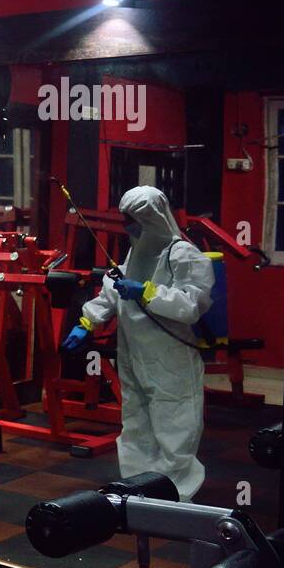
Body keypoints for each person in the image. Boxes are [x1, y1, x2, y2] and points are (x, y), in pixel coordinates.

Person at [61, 185, 214, 500]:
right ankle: (139, 485)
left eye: (134, 220)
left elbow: (192, 304)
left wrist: (148, 292)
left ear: (152, 219)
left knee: (174, 420)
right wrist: (87, 322)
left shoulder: (181, 253)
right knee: (136, 421)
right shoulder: (136, 251)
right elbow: (111, 292)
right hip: (133, 355)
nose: (128, 226)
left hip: (169, 356)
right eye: (126, 219)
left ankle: (177, 492)